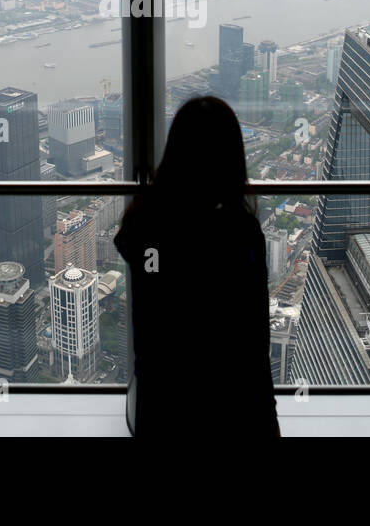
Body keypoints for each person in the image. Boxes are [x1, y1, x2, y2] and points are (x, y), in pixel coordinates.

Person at [115, 95, 280, 437]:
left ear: (175, 152)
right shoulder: (239, 233)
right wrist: (268, 417)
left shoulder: (145, 223)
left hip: (162, 395)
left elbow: (139, 259)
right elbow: (253, 338)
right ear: (231, 158)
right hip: (225, 400)